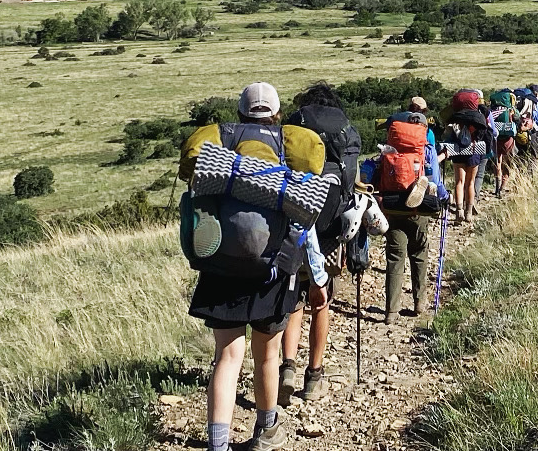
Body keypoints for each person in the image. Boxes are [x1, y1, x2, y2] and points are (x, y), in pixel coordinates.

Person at [180, 82, 326, 451]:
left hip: (221, 264)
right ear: (277, 114)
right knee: (268, 354)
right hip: (272, 267)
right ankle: (267, 430)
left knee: (227, 356)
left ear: (240, 112)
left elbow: (189, 174)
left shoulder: (217, 139)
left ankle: (217, 443)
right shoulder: (293, 144)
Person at [279, 82, 359, 404]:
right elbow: (349, 184)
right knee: (321, 299)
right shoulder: (345, 129)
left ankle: (287, 367)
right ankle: (314, 375)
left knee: (294, 298)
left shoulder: (293, 125)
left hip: (292, 222)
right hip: (326, 228)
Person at [362, 109, 446, 323]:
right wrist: (444, 198)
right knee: (419, 253)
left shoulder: (389, 149)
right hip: (418, 211)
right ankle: (419, 303)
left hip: (391, 208)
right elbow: (435, 179)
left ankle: (391, 311)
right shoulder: (425, 150)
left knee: (394, 258)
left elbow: (371, 174)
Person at [445, 90, 492, 223]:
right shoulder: (477, 116)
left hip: (458, 150)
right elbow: (484, 132)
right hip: (474, 150)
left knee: (459, 182)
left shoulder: (455, 116)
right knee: (470, 183)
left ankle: (458, 211)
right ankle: (468, 212)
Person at [487, 89, 519, 196]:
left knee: (497, 162)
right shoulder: (510, 109)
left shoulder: (492, 109)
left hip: (495, 138)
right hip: (508, 139)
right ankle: (503, 187)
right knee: (507, 163)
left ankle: (497, 186)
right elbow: (517, 118)